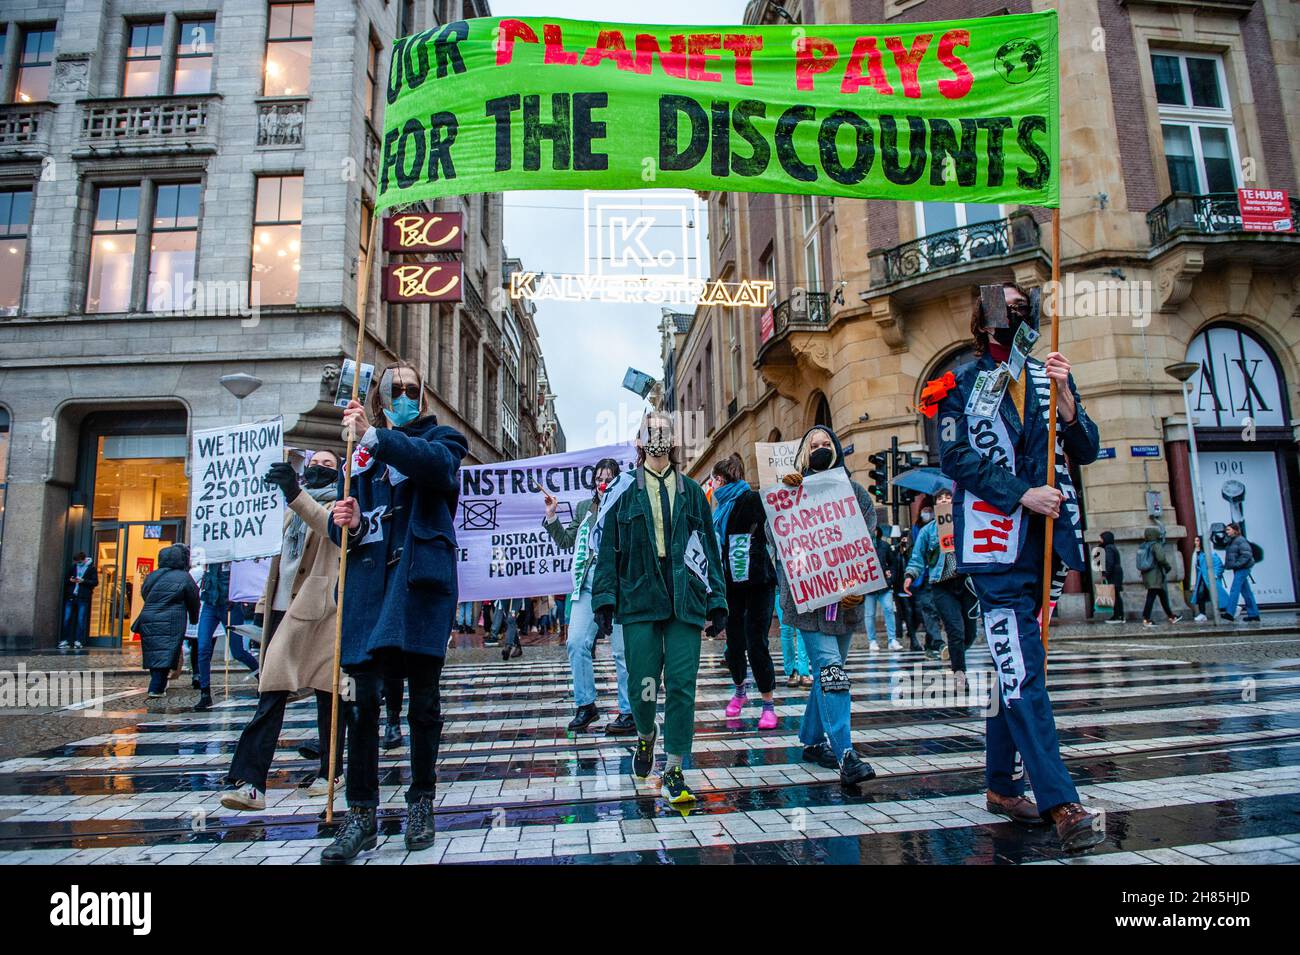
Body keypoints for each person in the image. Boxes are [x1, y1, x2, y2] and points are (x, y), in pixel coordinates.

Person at [936, 280, 1105, 852]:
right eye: (1006, 306)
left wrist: (1070, 404)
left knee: (1014, 669)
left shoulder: (1048, 371)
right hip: (996, 547)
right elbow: (957, 458)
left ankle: (1000, 785)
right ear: (984, 320)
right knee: (1024, 671)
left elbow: (1085, 449)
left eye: (1023, 305)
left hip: (1048, 545)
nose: (1019, 312)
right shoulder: (959, 382)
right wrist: (1021, 492)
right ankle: (1063, 803)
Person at [322, 359, 468, 864]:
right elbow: (342, 525)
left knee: (423, 703)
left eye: (411, 388)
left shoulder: (442, 440)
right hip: (368, 588)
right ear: (381, 397)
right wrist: (350, 521)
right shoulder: (357, 455)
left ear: (421, 395)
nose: (404, 394)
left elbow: (437, 470)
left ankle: (421, 801)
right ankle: (360, 812)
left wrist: (377, 439)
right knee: (361, 704)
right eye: (394, 388)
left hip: (419, 587)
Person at [593, 411, 727, 805]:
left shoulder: (691, 492)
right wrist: (604, 599)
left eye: (664, 432)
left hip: (685, 601)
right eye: (651, 432)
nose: (658, 437)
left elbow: (709, 550)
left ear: (673, 440)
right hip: (639, 601)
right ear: (639, 442)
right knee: (644, 686)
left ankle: (674, 768)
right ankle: (646, 735)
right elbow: (606, 549)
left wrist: (716, 600)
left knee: (683, 686)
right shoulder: (622, 490)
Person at [218, 451, 347, 809]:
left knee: (328, 694)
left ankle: (331, 770)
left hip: (319, 611)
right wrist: (262, 607)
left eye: (329, 465)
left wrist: (293, 492)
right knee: (271, 691)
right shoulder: (290, 511)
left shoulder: (341, 502)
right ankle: (251, 782)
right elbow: (281, 562)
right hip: (281, 609)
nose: (319, 468)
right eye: (315, 463)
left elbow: (328, 527)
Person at [775, 425, 878, 787]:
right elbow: (779, 545)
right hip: (808, 603)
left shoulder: (857, 495)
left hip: (845, 603)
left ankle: (811, 740)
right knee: (833, 671)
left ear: (835, 451)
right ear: (803, 455)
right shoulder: (790, 494)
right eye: (813, 445)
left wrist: (861, 586)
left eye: (825, 444)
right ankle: (846, 754)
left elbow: (868, 544)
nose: (820, 449)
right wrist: (785, 496)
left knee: (827, 674)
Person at [542, 457, 635, 735]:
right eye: (597, 478)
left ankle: (628, 711)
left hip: (617, 586)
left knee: (621, 651)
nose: (602, 483)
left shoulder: (625, 505)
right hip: (587, 584)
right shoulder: (585, 508)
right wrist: (552, 516)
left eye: (607, 478)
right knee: (576, 642)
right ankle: (586, 705)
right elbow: (566, 541)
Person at [711, 453, 779, 730]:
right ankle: (739, 690)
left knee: (756, 644)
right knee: (734, 646)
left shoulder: (752, 499)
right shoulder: (718, 511)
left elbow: (773, 524)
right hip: (731, 586)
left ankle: (768, 704)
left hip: (759, 583)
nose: (712, 486)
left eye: (713, 480)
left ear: (722, 479)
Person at [904, 488, 978, 679]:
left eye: (948, 497)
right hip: (942, 585)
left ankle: (955, 653)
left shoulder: (965, 523)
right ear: (935, 504)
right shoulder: (928, 531)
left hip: (966, 583)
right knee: (955, 630)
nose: (944, 500)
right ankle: (959, 674)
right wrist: (910, 575)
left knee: (970, 633)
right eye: (940, 499)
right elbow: (917, 557)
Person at [134, 544, 200, 698]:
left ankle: (156, 684)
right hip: (172, 619)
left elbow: (144, 593)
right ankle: (156, 687)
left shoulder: (153, 575)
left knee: (154, 652)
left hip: (149, 617)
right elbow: (193, 598)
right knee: (167, 653)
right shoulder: (184, 577)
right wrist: (194, 617)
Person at [195, 561, 260, 703]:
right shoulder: (210, 561)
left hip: (230, 606)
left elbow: (245, 580)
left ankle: (260, 676)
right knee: (203, 648)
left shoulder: (236, 562)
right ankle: (204, 693)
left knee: (237, 652)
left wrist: (237, 597)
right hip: (210, 605)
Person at [864, 527, 899, 653]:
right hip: (869, 587)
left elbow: (893, 564)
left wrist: (891, 580)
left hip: (884, 586)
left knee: (889, 610)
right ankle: (872, 640)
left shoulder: (884, 546)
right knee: (869, 614)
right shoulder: (862, 548)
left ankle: (892, 639)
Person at [1137, 526, 1180, 626]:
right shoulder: (1156, 545)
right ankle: (1146, 618)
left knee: (1162, 594)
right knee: (1151, 596)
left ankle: (1171, 616)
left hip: (1146, 574)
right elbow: (1161, 558)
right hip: (1155, 574)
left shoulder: (1143, 546)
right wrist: (1167, 567)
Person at [1222, 522, 1261, 622]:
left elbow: (1247, 555)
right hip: (1240, 568)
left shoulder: (1240, 540)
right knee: (1246, 592)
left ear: (1235, 530)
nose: (1227, 532)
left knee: (1235, 589)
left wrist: (1237, 564)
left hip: (1242, 568)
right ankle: (1254, 614)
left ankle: (1230, 613)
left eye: (1228, 529)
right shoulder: (1233, 540)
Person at [59, 552, 98, 649]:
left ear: (84, 559)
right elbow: (66, 579)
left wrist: (83, 581)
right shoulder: (73, 567)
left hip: (83, 597)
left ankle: (78, 641)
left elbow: (95, 582)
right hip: (71, 596)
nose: (78, 564)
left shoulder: (91, 569)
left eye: (79, 562)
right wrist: (71, 580)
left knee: (81, 620)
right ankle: (65, 640)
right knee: (66, 619)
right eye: (77, 562)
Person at [776, 594, 811, 687]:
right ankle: (791, 671)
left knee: (802, 628)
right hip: (780, 588)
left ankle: (804, 672)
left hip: (800, 585)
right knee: (786, 629)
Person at [1189, 535, 1225, 622]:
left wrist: (1215, 574)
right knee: (1200, 595)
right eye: (1195, 541)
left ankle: (1231, 608)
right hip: (1200, 578)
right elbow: (1194, 568)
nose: (1196, 543)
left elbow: (1218, 564)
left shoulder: (1207, 553)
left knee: (1217, 595)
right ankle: (1202, 613)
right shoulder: (1195, 553)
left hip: (1207, 578)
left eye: (1197, 541)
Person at [1098, 531, 1124, 624]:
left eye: (1101, 538)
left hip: (1113, 574)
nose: (1099, 540)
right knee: (1116, 595)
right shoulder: (1111, 547)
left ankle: (1118, 616)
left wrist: (1105, 575)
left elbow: (1109, 562)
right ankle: (1118, 615)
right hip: (1116, 573)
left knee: (1115, 596)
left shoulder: (1108, 548)